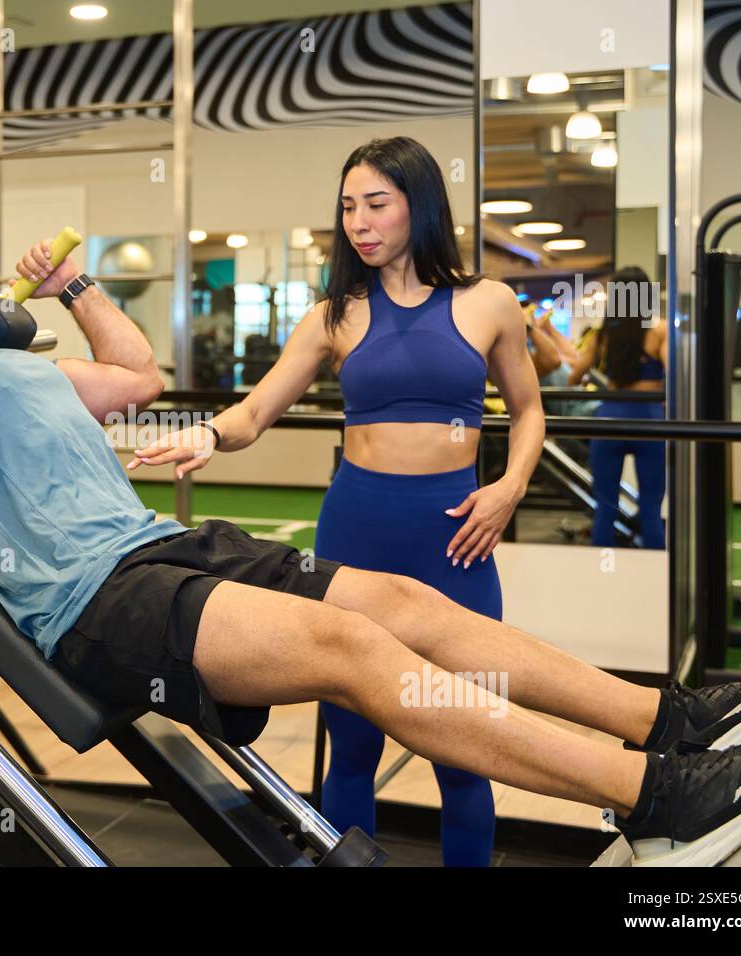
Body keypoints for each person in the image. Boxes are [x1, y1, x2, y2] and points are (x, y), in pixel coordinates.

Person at [0, 184, 741, 867]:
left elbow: (134, 377)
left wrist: (73, 292)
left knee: (402, 601)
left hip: (162, 548)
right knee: (352, 647)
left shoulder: (12, 360)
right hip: (95, 601)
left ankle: (669, 718)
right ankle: (661, 792)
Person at [138, 137, 545, 865]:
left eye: (376, 204)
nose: (359, 221)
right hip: (357, 532)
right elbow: (255, 413)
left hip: (457, 537)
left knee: (466, 745)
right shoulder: (336, 314)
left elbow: (529, 410)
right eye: (349, 206)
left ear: (418, 206)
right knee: (352, 742)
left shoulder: (490, 304)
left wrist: (509, 487)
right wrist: (205, 431)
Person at [568, 266, 667, 548]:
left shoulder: (602, 334)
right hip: (648, 419)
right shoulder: (658, 329)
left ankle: (603, 578)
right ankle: (656, 581)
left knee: (605, 508)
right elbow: (675, 374)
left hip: (610, 417)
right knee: (650, 509)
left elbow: (576, 375)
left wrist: (588, 377)